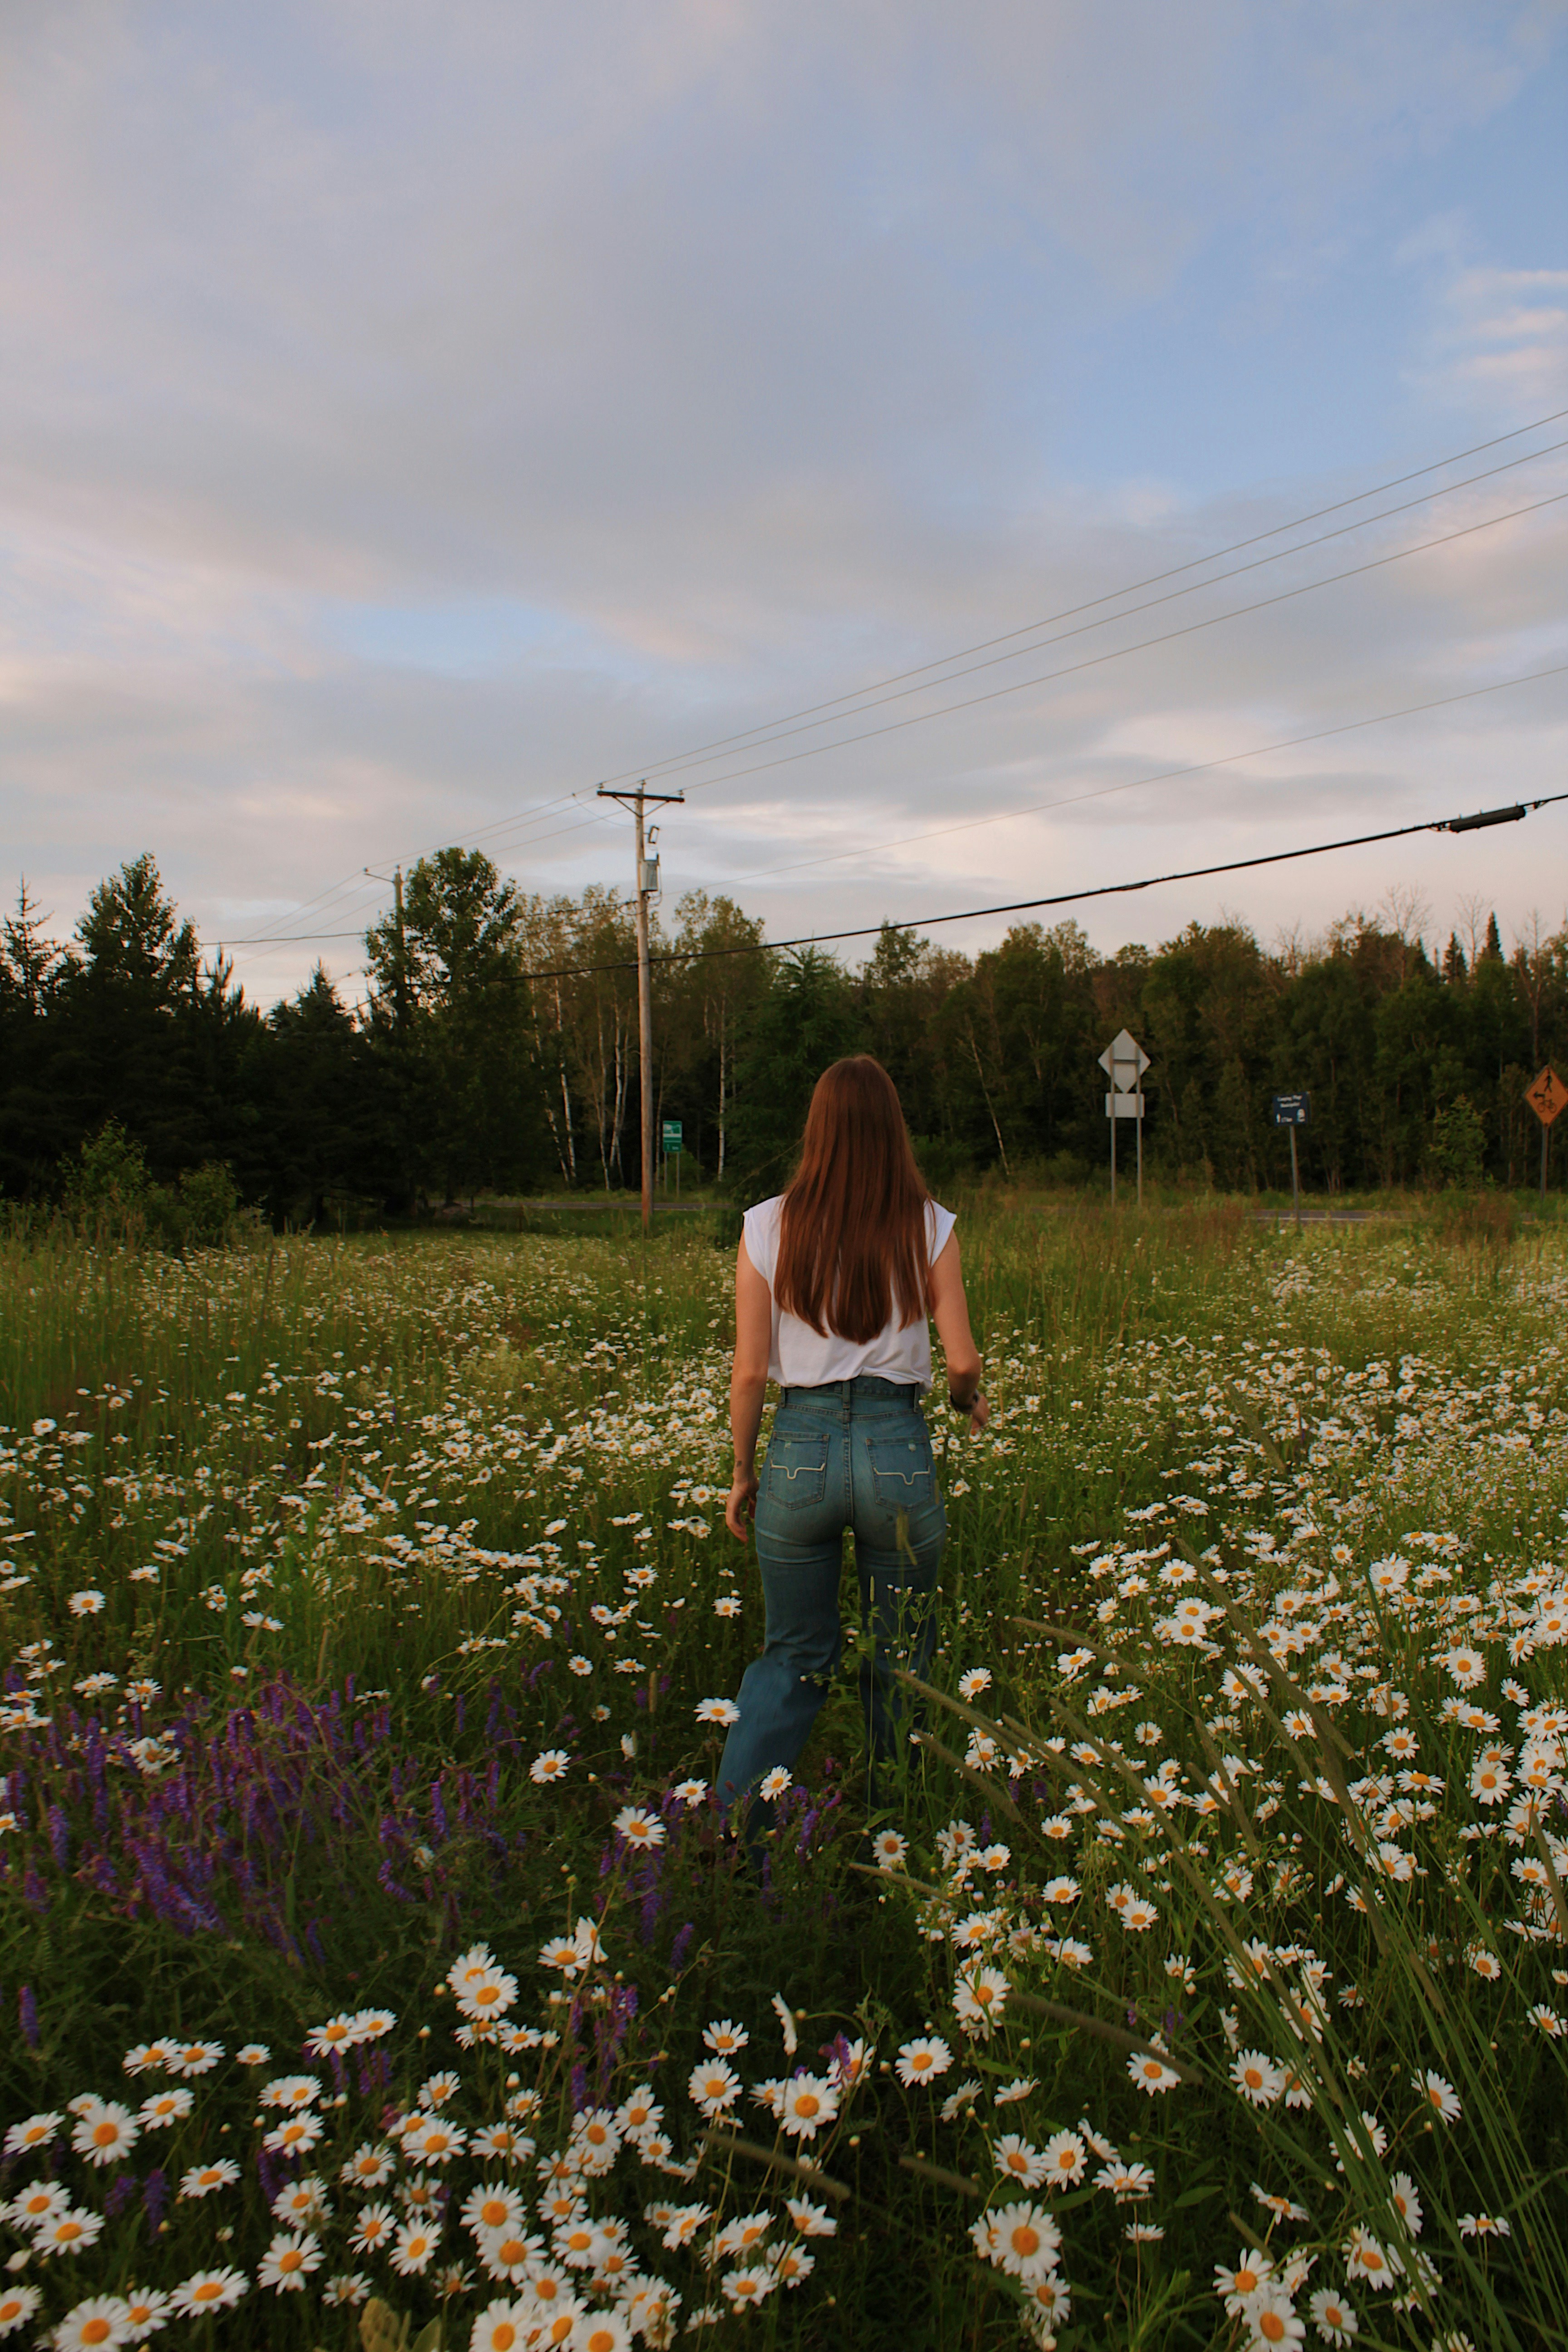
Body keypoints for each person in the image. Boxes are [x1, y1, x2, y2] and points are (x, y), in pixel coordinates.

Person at [716, 1055, 989, 1839]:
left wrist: (742, 1473)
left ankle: (732, 1839)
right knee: (902, 1658)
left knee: (792, 1656)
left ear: (819, 1129)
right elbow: (963, 1362)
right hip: (895, 1447)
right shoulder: (929, 1224)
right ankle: (892, 1836)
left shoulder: (766, 1224)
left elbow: (748, 1374)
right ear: (892, 1131)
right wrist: (968, 1403)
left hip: (799, 1450)